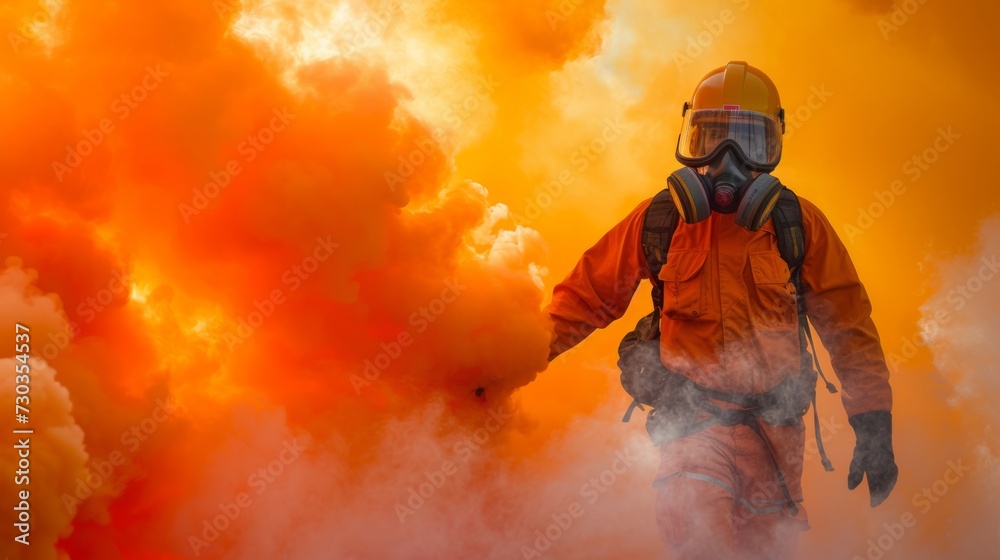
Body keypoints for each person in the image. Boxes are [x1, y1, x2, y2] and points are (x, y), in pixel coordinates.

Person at [544, 61, 898, 559]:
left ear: (770, 149)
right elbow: (583, 298)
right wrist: (508, 364)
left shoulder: (799, 226)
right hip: (690, 426)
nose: (726, 161)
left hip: (775, 435)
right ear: (691, 139)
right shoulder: (661, 220)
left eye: (747, 143)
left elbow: (849, 327)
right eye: (711, 138)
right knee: (703, 544)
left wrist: (873, 424)